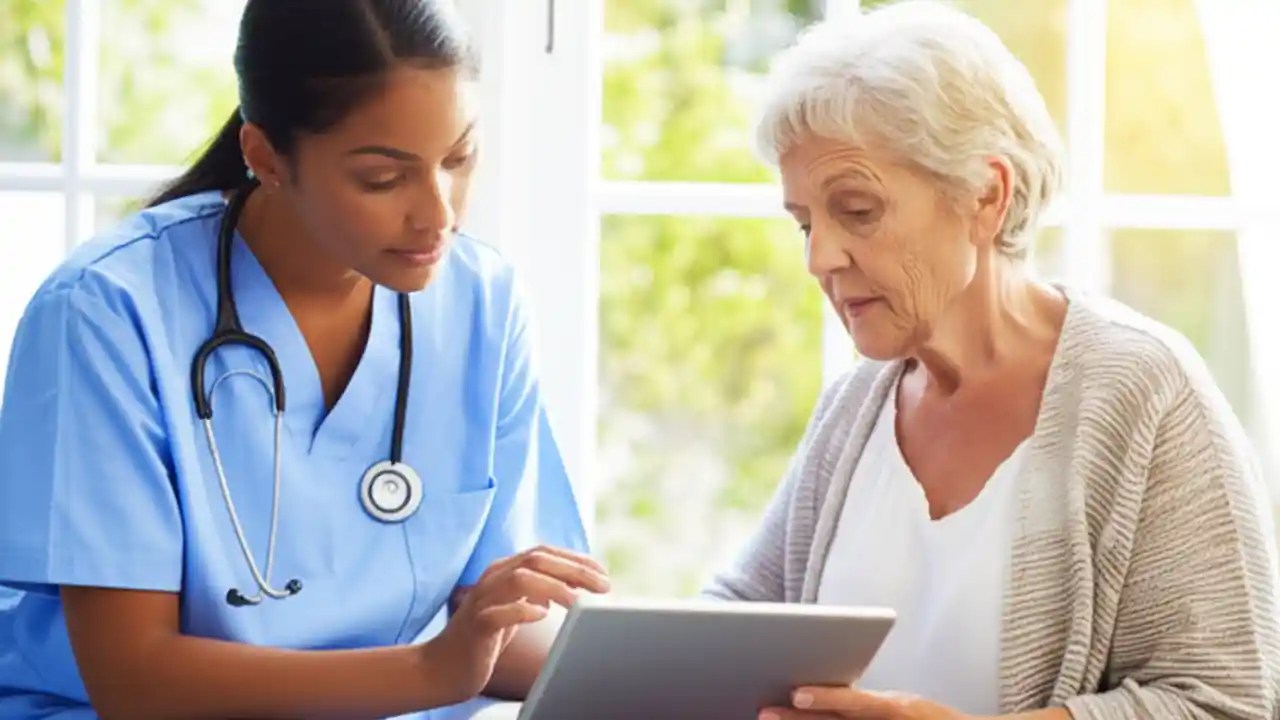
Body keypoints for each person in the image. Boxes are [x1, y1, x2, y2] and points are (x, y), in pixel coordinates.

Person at [0, 1, 609, 718]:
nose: (438, 214)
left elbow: (489, 633)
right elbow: (134, 679)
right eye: (384, 179)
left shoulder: (484, 301)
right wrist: (429, 672)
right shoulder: (106, 311)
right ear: (264, 157)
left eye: (458, 159)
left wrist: (684, 679)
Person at [702, 3, 1280, 719]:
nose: (820, 258)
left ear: (986, 196)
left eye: (857, 211)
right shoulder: (853, 411)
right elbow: (729, 629)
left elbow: (1225, 702)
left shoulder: (1145, 393)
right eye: (804, 223)